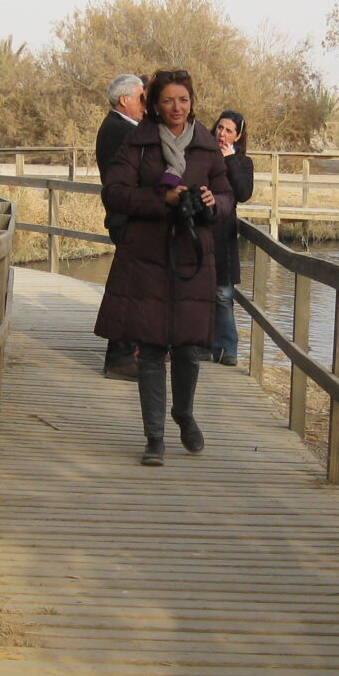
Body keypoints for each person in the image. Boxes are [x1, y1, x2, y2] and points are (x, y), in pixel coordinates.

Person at [94, 69, 233, 465]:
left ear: (192, 103)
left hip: (193, 258)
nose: (177, 108)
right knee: (152, 349)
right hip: (147, 259)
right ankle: (154, 437)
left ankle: (184, 413)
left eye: (184, 100)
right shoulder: (136, 144)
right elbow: (114, 192)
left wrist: (211, 202)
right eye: (169, 100)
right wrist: (163, 200)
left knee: (189, 349)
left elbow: (228, 196)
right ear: (155, 104)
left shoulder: (206, 147)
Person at [94, 73, 146, 380]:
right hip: (127, 219)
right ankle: (120, 356)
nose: (145, 104)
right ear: (124, 100)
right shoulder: (120, 131)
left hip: (128, 218)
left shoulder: (122, 128)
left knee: (133, 288)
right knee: (128, 289)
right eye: (141, 97)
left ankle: (129, 350)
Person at [208, 110, 254, 365]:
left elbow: (244, 193)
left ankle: (228, 349)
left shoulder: (243, 162)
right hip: (201, 228)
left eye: (228, 131)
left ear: (238, 136)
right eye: (219, 128)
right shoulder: (203, 153)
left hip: (224, 233)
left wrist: (231, 160)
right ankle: (203, 345)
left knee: (223, 294)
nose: (221, 134)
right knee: (201, 290)